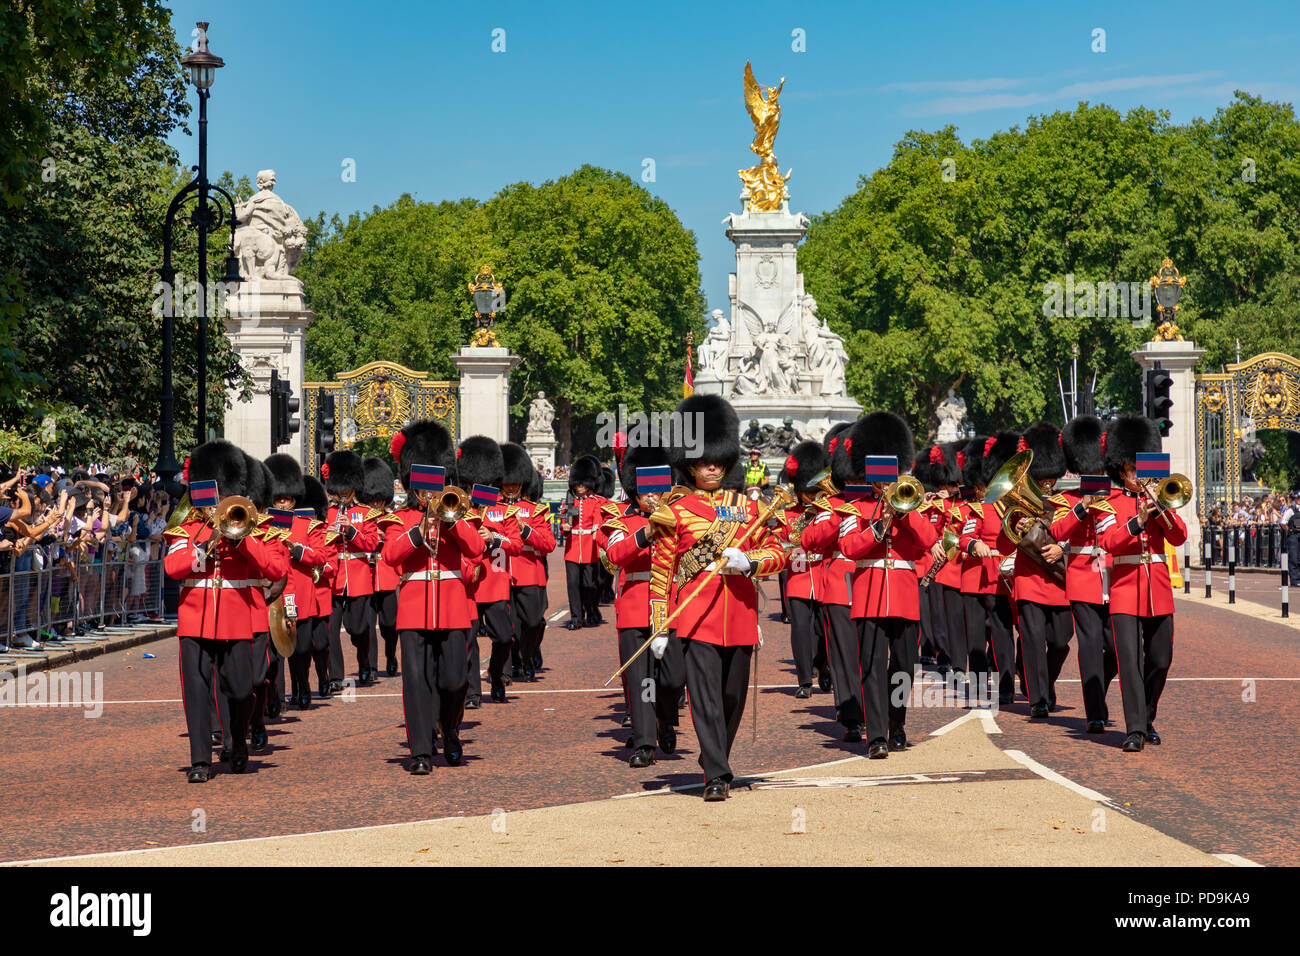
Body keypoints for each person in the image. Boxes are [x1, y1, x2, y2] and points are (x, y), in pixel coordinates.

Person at [648, 394, 785, 800]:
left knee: (731, 698)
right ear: (690, 464)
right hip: (696, 618)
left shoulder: (748, 508)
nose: (712, 467)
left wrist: (750, 562)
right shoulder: (674, 511)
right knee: (705, 697)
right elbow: (662, 572)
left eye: (718, 460)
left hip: (739, 614)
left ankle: (716, 758)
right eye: (704, 461)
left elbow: (779, 552)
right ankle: (716, 775)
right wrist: (660, 626)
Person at [163, 441, 288, 782]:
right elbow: (173, 567)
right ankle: (200, 760)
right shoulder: (186, 530)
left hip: (237, 619)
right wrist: (203, 546)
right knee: (197, 690)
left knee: (239, 689)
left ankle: (236, 740)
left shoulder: (257, 530)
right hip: (194, 618)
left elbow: (275, 568)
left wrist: (241, 540)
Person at [380, 421, 485, 773]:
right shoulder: (400, 519)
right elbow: (391, 556)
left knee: (455, 680)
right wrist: (417, 530)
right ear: (413, 486)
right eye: (422, 488)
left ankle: (451, 730)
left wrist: (452, 521)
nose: (428, 495)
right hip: (413, 610)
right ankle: (421, 751)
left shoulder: (459, 515)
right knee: (416, 682)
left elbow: (477, 548)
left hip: (453, 608)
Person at [836, 412, 940, 756]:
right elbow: (849, 548)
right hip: (868, 595)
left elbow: (928, 540)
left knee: (904, 669)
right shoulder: (855, 508)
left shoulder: (912, 504)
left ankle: (898, 724)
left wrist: (905, 512)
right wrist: (878, 525)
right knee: (872, 666)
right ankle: (877, 736)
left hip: (905, 595)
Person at [1094, 415, 1186, 753]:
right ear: (1122, 471)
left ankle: (1147, 718)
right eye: (1133, 469)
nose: (1139, 474)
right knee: (1129, 661)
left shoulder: (1160, 499)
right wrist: (1138, 520)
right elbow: (1108, 543)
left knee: (1160, 659)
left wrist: (1160, 509)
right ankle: (1133, 729)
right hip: (1124, 589)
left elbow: (1179, 537)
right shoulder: (1109, 503)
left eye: (1141, 468)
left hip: (1157, 589)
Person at [600, 445, 685, 768]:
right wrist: (647, 532)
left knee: (673, 678)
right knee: (640, 679)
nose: (654, 497)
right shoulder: (618, 520)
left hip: (671, 602)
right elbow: (615, 556)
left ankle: (665, 719)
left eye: (659, 490)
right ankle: (645, 741)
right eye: (647, 491)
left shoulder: (678, 517)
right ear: (635, 491)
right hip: (635, 604)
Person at [1049, 415, 1118, 733]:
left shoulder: (1119, 498)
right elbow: (1057, 530)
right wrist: (1084, 506)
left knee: (1117, 648)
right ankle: (1095, 712)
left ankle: (1098, 692)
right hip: (1082, 576)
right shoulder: (1068, 499)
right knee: (1090, 645)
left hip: (1114, 577)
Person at [1009, 423, 1073, 719]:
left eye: (1050, 477)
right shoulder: (1017, 500)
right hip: (1029, 578)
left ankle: (1043, 681)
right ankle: (1038, 698)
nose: (1047, 482)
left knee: (1060, 641)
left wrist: (1064, 548)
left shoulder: (1068, 501)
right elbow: (1001, 536)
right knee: (1033, 639)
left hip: (1060, 580)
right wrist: (1015, 526)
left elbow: (1083, 534)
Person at [458, 435, 523, 706]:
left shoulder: (502, 511)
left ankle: (496, 676)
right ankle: (473, 693)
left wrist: (494, 538)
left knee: (505, 638)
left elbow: (517, 546)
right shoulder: (458, 508)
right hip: (469, 585)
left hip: (495, 582)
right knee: (468, 642)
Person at [957, 432, 1020, 705]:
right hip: (975, 576)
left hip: (1002, 575)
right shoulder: (979, 508)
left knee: (1003, 632)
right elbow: (964, 536)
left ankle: (1007, 685)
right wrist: (974, 546)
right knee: (976, 638)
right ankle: (981, 687)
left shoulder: (1016, 507)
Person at [775, 441, 832, 698]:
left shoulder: (828, 512)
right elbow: (778, 543)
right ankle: (804, 680)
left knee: (823, 630)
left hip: (823, 576)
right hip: (798, 576)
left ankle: (824, 666)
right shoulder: (786, 515)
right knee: (800, 631)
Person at [323, 451, 382, 687]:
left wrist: (352, 531)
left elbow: (372, 543)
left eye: (348, 488)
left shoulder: (366, 513)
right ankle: (336, 676)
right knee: (331, 631)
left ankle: (365, 662)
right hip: (334, 575)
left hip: (358, 576)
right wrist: (330, 536)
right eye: (341, 488)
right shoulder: (327, 513)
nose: (344, 492)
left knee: (358, 629)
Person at [500, 443, 555, 678]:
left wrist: (525, 531)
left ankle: (528, 655)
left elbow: (549, 544)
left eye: (515, 482)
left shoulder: (535, 511)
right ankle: (511, 664)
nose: (511, 487)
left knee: (533, 622)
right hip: (500, 571)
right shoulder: (490, 509)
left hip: (529, 572)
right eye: (507, 482)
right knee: (507, 626)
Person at [561, 455, 608, 629]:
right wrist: (563, 527)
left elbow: (597, 517)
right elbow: (564, 520)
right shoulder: (569, 501)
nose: (579, 487)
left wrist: (597, 528)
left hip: (589, 546)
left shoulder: (595, 501)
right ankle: (576, 618)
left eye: (583, 483)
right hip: (572, 547)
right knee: (573, 584)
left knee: (589, 584)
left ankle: (591, 608)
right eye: (577, 483)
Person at [362, 457, 400, 677]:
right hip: (366, 576)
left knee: (389, 624)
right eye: (372, 499)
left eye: (379, 499)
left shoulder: (392, 518)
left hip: (386, 576)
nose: (376, 503)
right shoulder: (361, 518)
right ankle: (370, 666)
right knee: (367, 626)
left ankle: (391, 653)